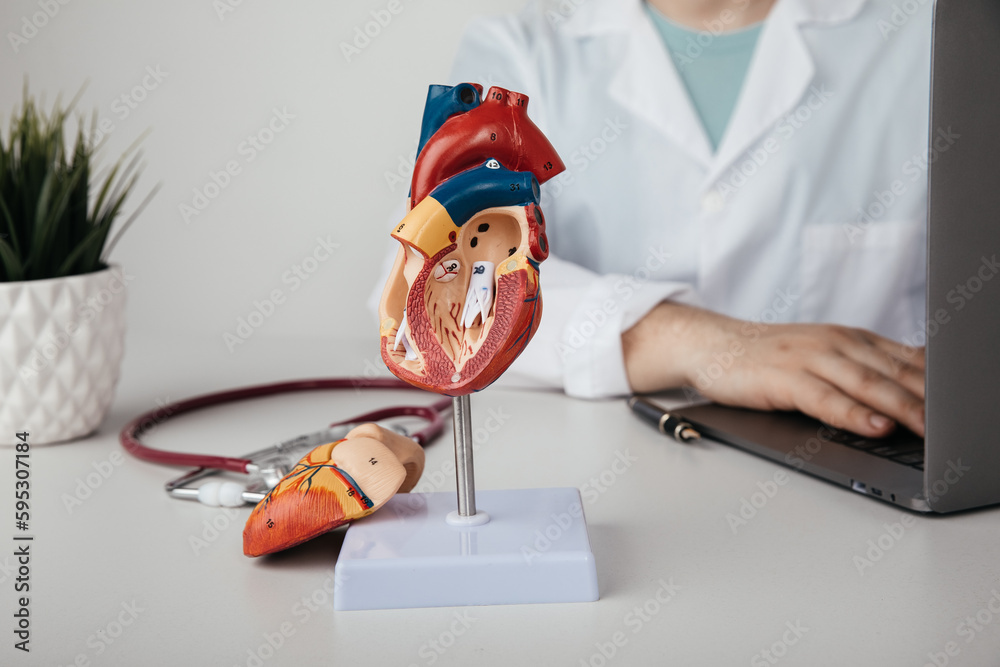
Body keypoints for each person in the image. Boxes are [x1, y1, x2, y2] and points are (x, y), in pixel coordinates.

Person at [424, 0, 933, 438]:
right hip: (613, 455)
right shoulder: (521, 51)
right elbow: (430, 277)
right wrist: (701, 342)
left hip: (872, 458)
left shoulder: (934, 33)